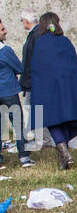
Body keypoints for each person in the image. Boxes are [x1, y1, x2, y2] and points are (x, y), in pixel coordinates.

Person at [20, 12, 77, 169]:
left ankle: (63, 151)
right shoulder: (65, 41)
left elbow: (36, 67)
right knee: (63, 118)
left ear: (42, 24)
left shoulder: (41, 43)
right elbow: (73, 66)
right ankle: (64, 153)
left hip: (48, 89)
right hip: (66, 88)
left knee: (51, 120)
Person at [0, 16, 33, 166]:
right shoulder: (5, 50)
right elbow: (20, 68)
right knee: (17, 123)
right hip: (8, 91)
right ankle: (23, 156)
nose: (5, 31)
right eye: (2, 29)